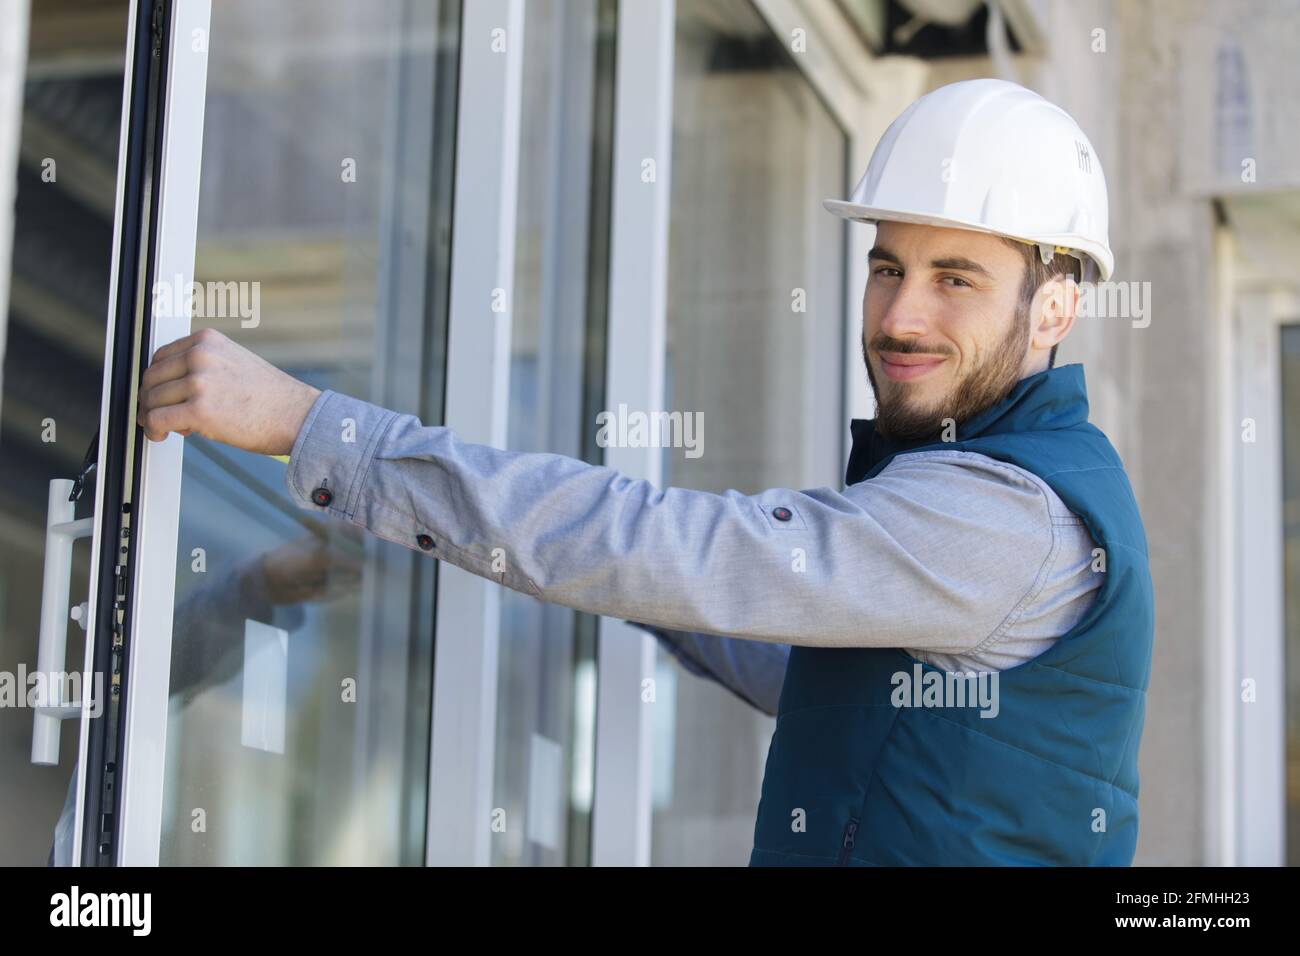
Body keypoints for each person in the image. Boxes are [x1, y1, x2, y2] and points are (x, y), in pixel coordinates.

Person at [135, 78, 1154, 866]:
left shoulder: (1006, 513)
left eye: (955, 278)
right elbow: (825, 675)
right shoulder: (982, 488)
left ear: (1055, 307)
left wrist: (314, 427)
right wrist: (600, 578)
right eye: (887, 266)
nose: (898, 316)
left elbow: (688, 550)